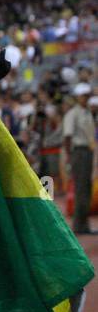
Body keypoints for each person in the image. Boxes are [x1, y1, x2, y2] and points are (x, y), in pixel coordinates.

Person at [62, 89, 95, 234]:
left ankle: (84, 225)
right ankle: (78, 226)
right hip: (78, 152)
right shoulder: (72, 113)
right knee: (81, 189)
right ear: (77, 97)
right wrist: (70, 157)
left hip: (88, 151)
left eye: (87, 96)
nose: (85, 98)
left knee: (86, 189)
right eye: (83, 96)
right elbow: (67, 137)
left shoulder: (87, 113)